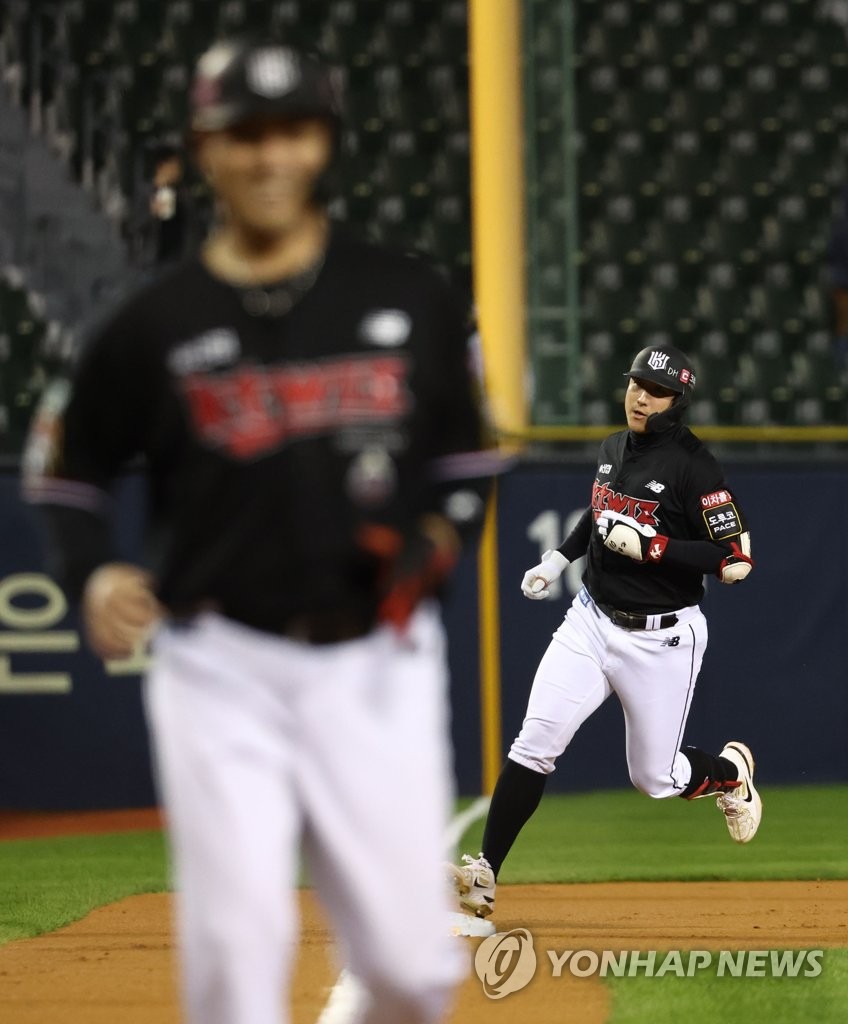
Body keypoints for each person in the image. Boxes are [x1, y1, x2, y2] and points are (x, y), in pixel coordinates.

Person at [24, 37, 493, 1024]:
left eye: (289, 131)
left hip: (374, 655)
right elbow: (64, 466)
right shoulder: (151, 322)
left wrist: (439, 539)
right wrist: (92, 571)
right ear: (206, 151)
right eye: (242, 135)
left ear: (321, 143)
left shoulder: (406, 299)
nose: (267, 156)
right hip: (219, 662)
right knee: (235, 968)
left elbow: (462, 461)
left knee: (410, 971)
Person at [448, 344, 761, 920]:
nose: (641, 396)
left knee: (656, 779)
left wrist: (656, 547)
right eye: (636, 383)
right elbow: (600, 516)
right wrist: (557, 559)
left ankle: (730, 774)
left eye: (656, 390)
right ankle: (485, 873)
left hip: (661, 639)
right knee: (534, 742)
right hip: (590, 621)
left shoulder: (696, 467)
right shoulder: (613, 448)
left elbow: (736, 559)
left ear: (678, 400)